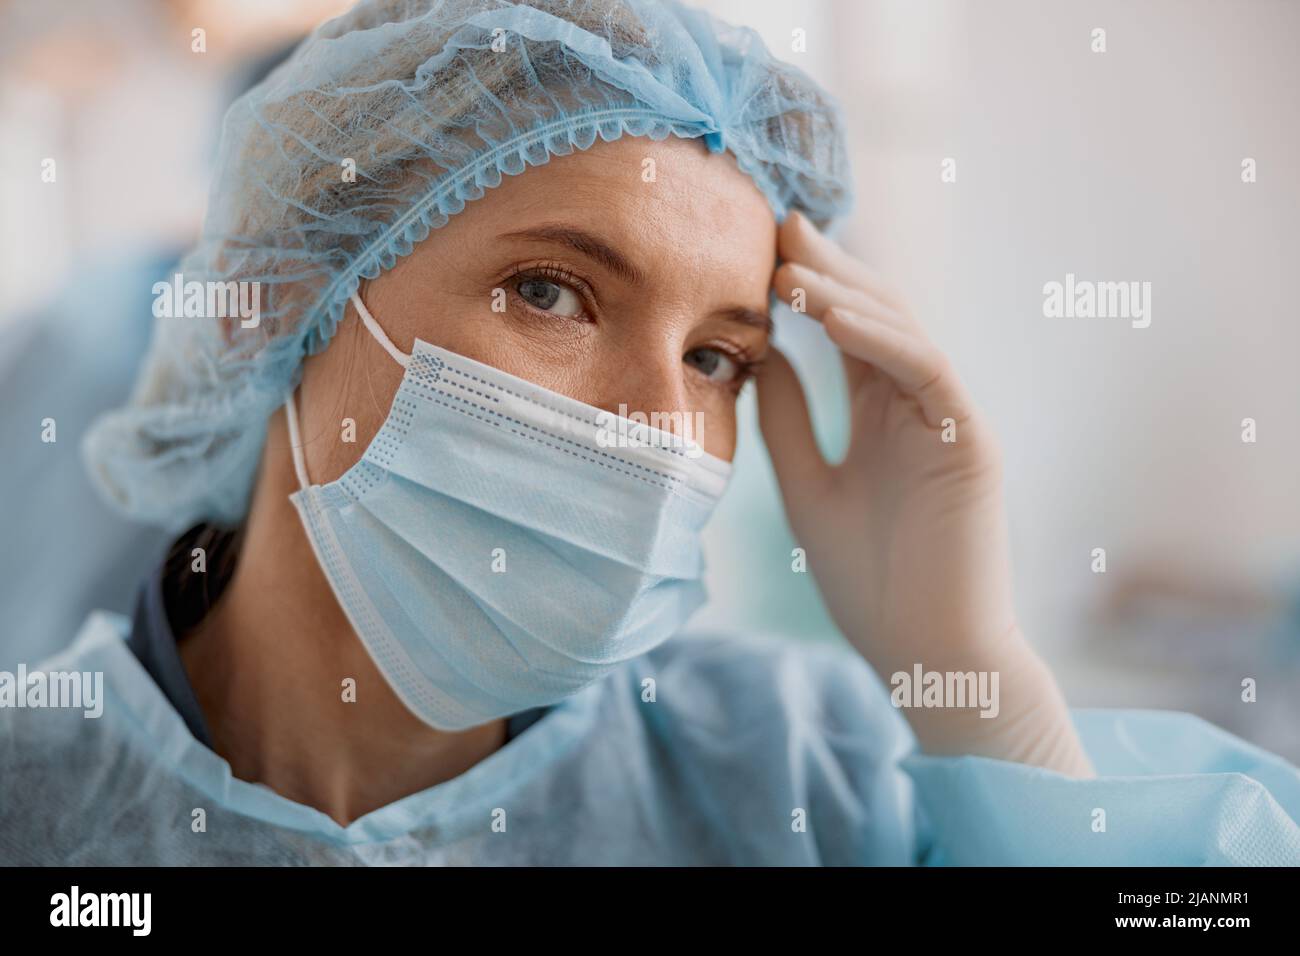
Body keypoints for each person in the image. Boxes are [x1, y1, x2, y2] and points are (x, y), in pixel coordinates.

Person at [2, 0, 1298, 866]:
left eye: (718, 356)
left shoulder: (803, 775)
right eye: (551, 292)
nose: (658, 428)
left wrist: (975, 681)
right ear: (281, 304)